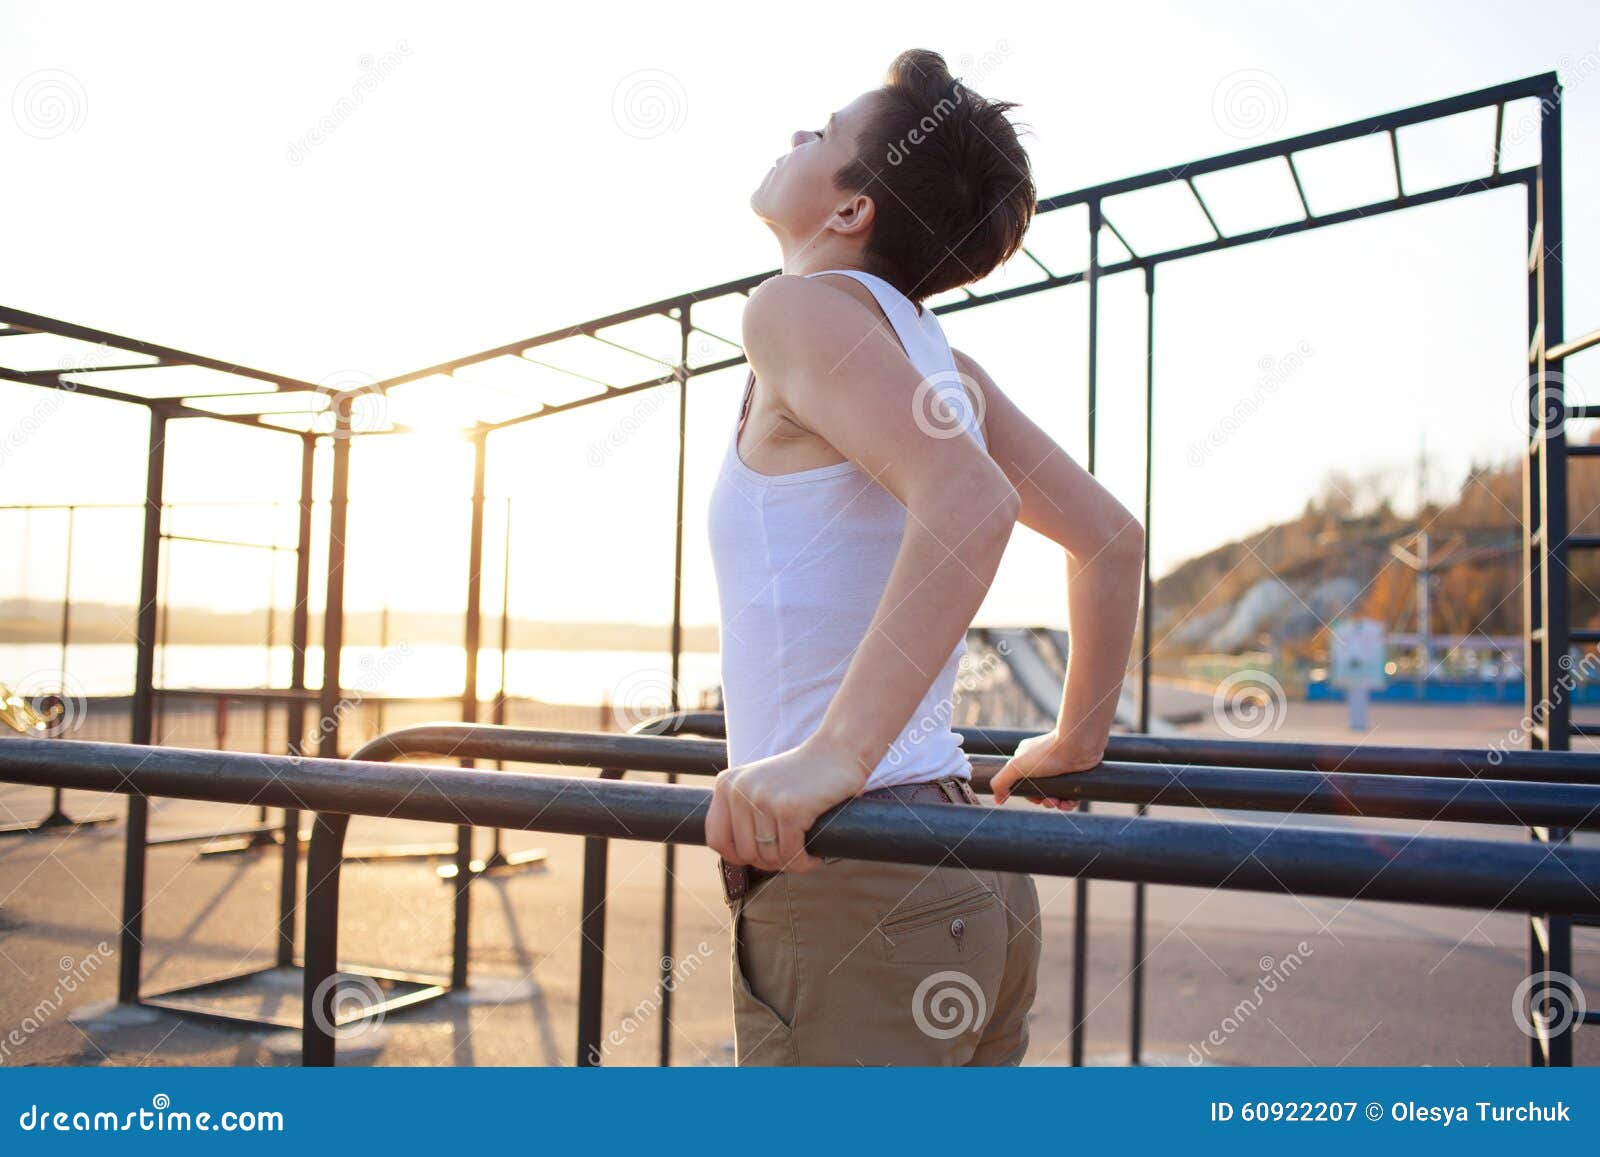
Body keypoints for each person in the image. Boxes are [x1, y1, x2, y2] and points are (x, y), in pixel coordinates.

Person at [704, 48, 1145, 1066]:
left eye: (824, 132)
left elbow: (971, 502)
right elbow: (1110, 541)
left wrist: (836, 754)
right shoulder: (946, 366)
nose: (797, 134)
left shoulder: (791, 309)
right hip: (975, 873)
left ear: (852, 209)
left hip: (861, 877)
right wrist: (1073, 741)